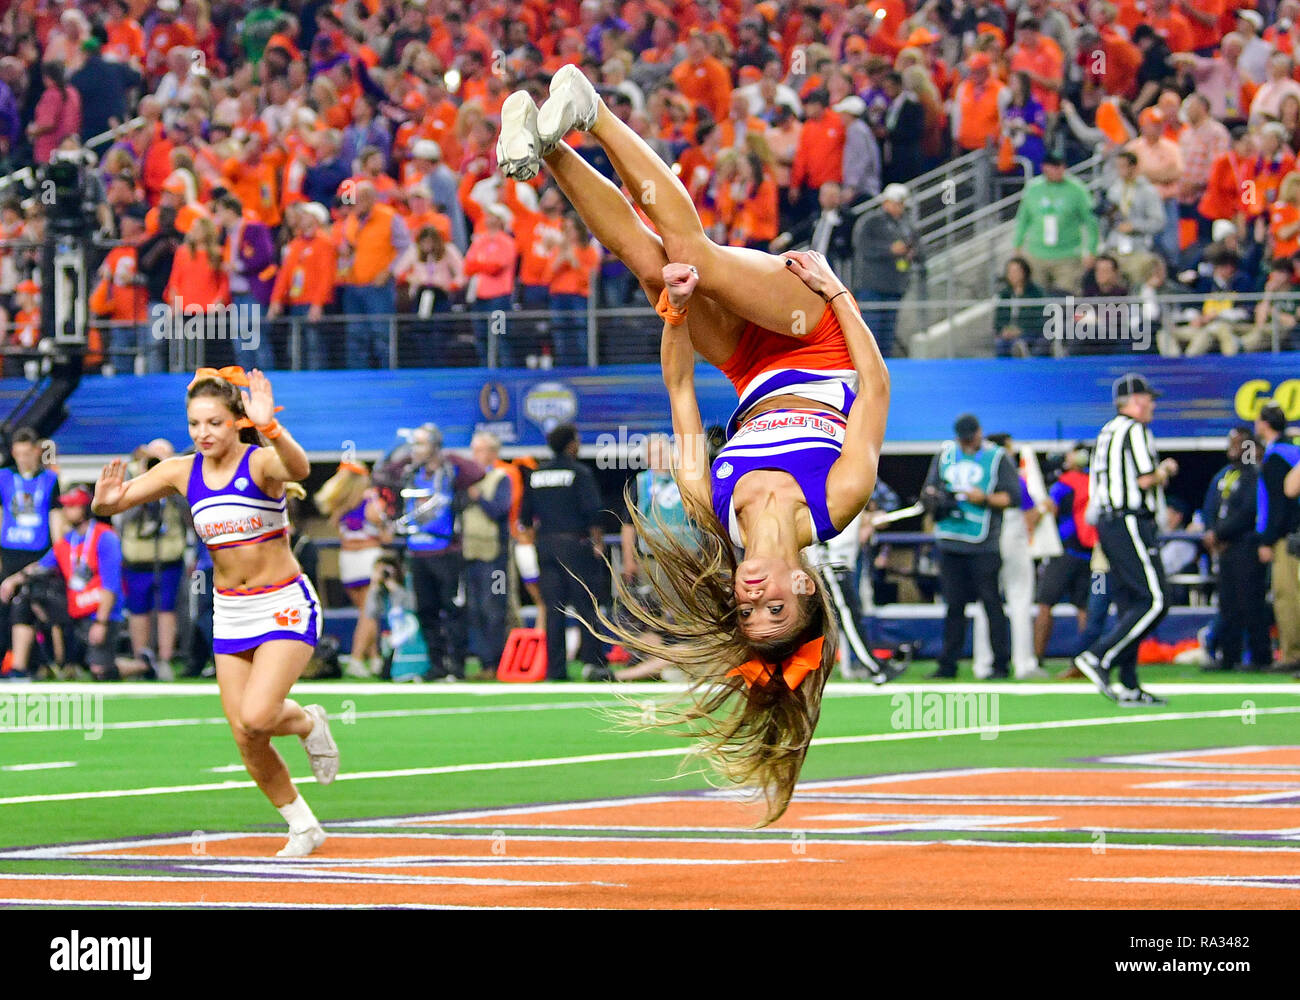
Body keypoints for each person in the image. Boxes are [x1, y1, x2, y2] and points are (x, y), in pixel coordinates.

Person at [496, 68, 888, 820]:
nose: (753, 602)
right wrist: (838, 293)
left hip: (749, 365)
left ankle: (546, 148)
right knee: (695, 251)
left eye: (747, 619)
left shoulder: (710, 505)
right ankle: (593, 109)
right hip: (821, 340)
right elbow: (876, 389)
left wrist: (675, 315)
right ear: (805, 590)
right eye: (774, 612)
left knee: (655, 267)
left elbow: (681, 400)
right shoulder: (836, 501)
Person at [83, 367, 338, 857]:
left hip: (283, 602)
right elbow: (112, 504)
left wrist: (273, 428)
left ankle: (307, 723)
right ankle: (303, 825)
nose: (204, 433)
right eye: (196, 424)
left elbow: (300, 469)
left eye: (215, 423)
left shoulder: (262, 461)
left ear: (237, 422)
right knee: (245, 733)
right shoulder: (182, 471)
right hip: (232, 611)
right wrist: (104, 502)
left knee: (259, 715)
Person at [1074, 373, 1176, 705]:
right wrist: (1167, 471)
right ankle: (1100, 656)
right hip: (1129, 520)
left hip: (1110, 523)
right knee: (1156, 598)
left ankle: (1129, 682)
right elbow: (1146, 479)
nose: (1153, 406)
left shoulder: (1107, 431)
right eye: (1149, 399)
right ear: (1134, 400)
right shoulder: (1133, 429)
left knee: (1132, 602)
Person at [0, 484, 150, 681]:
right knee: (26, 600)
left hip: (100, 614)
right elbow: (41, 566)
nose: (66, 511)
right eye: (66, 506)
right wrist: (13, 580)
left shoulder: (105, 537)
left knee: (100, 672)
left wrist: (101, 622)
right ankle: (21, 668)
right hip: (74, 613)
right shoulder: (67, 541)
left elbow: (111, 585)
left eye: (73, 506)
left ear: (86, 508)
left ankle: (143, 666)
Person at [923, 413, 1021, 680]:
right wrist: (935, 498)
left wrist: (985, 498)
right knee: (954, 607)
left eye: (971, 438)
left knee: (991, 604)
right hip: (950, 541)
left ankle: (1000, 664)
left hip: (983, 545)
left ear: (979, 432)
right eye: (963, 439)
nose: (967, 443)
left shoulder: (997, 456)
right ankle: (948, 665)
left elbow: (1014, 497)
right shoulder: (946, 453)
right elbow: (929, 489)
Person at [518, 423, 608, 681]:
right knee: (586, 606)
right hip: (575, 546)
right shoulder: (579, 473)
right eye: (577, 440)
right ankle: (593, 665)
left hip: (545, 546)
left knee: (553, 608)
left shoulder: (536, 474)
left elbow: (524, 518)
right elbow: (594, 512)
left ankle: (555, 670)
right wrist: (598, 542)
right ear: (570, 444)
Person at [398, 423, 484, 680]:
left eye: (421, 443)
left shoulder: (450, 470)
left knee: (453, 609)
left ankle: (457, 665)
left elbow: (477, 471)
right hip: (418, 551)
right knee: (426, 611)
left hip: (445, 551)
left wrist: (444, 455)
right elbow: (382, 472)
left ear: (435, 446)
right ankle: (437, 665)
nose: (415, 449)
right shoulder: (410, 473)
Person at [971, 433, 1045, 679]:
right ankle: (1023, 663)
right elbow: (1030, 510)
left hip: (985, 537)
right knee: (1020, 598)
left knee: (987, 602)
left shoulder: (978, 473)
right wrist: (1044, 508)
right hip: (1011, 532)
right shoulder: (1009, 470)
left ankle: (983, 664)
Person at [1204, 426, 1271, 673]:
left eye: (1239, 443)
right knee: (1228, 603)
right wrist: (1211, 531)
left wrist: (1220, 533)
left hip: (1246, 545)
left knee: (1251, 602)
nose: (1233, 447)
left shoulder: (1254, 474)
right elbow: (1211, 506)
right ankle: (1228, 656)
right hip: (1226, 549)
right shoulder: (1225, 475)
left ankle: (1260, 657)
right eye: (1231, 442)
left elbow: (1248, 511)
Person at [313, 460, 391, 673]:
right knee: (369, 612)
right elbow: (385, 535)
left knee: (364, 611)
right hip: (369, 558)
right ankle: (356, 658)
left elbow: (339, 531)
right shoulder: (372, 503)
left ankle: (374, 658)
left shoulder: (339, 506)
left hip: (347, 559)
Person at [0, 427, 61, 665]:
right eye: (19, 453)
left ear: (37, 451)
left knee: (25, 607)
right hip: (9, 555)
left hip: (36, 557)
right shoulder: (4, 477)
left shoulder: (50, 480)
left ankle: (27, 665)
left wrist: (50, 559)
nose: (24, 458)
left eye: (28, 453)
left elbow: (56, 528)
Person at [1035, 444, 1095, 663]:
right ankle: (1085, 659)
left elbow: (1049, 508)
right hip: (1090, 555)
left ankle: (1037, 658)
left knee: (1045, 604)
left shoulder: (1063, 484)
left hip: (1064, 553)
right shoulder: (1096, 482)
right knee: (1085, 608)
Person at [1010, 152, 1099, 295]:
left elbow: (1091, 221)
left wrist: (1091, 250)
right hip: (1037, 254)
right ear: (1045, 168)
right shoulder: (1033, 189)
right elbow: (1023, 219)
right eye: (1055, 167)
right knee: (1037, 297)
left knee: (1065, 296)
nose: (1060, 171)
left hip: (1067, 255)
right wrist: (1017, 245)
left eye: (1062, 167)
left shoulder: (1077, 189)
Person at [464, 432, 513, 679]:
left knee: (493, 608)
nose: (475, 455)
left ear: (493, 453)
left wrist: (478, 496)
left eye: (480, 450)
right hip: (468, 554)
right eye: (473, 449)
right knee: (474, 610)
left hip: (494, 557)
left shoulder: (501, 478)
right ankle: (484, 663)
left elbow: (499, 510)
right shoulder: (466, 480)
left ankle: (498, 662)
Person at [851, 183, 919, 358]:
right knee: (870, 333)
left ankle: (884, 370)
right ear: (887, 202)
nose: (900, 208)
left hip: (895, 286)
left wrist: (912, 252)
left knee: (887, 338)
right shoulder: (870, 221)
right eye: (897, 203)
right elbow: (862, 246)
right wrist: (889, 249)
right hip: (872, 287)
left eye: (902, 204)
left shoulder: (906, 223)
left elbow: (918, 245)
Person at [1258, 403, 1300, 673]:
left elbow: (1284, 496)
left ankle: (1291, 653)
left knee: (1287, 595)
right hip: (1293, 533)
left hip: (1288, 536)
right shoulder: (1291, 451)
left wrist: (1268, 538)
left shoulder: (1277, 456)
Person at [994, 256, 1048, 357]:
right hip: (1008, 335)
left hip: (1030, 333)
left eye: (1016, 271)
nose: (1013, 275)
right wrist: (1004, 330)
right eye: (1010, 271)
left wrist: (1021, 330)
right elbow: (998, 320)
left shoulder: (1036, 293)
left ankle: (1021, 353)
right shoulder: (1004, 295)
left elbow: (1040, 318)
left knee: (1024, 342)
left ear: (1024, 272)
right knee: (1000, 344)